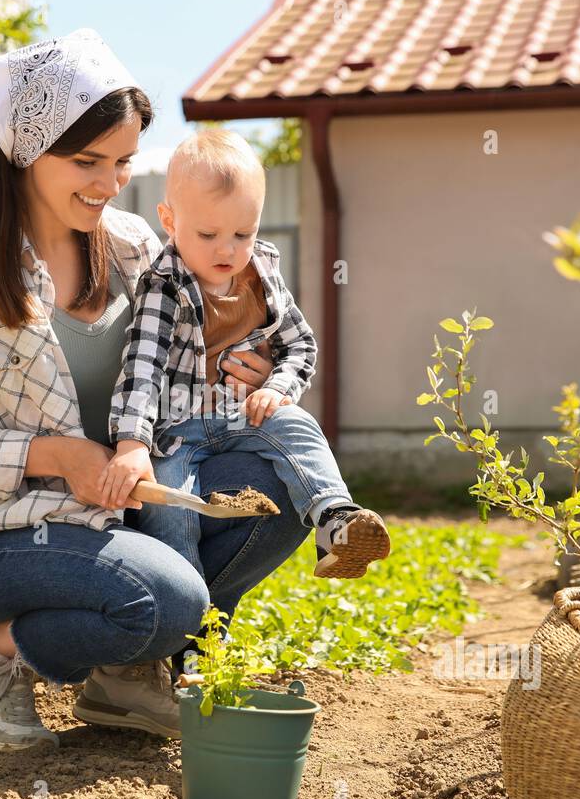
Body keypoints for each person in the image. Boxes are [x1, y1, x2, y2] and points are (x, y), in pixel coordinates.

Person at [0, 29, 309, 753]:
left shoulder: (137, 247)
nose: (110, 182)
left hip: (128, 510)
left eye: (122, 163)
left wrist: (250, 368)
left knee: (288, 483)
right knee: (175, 598)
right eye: (87, 161)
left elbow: (189, 364)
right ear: (25, 152)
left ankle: (126, 671)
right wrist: (57, 455)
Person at [100, 128, 391, 580]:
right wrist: (131, 442)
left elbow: (300, 345)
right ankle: (184, 609)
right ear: (170, 221)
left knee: (297, 425)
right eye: (209, 233)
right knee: (169, 502)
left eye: (243, 232)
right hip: (178, 427)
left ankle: (336, 521)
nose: (228, 249)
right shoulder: (166, 285)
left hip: (243, 414)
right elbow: (143, 366)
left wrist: (276, 386)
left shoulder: (262, 275)